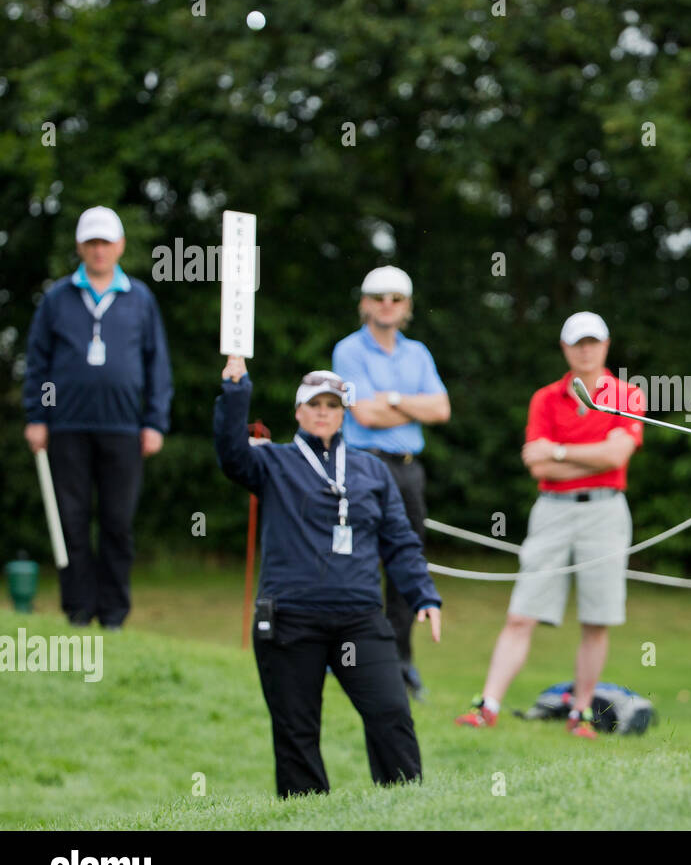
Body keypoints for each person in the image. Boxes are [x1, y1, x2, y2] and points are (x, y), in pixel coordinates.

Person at [214, 356, 443, 797]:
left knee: (391, 713)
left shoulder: (371, 470)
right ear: (298, 412)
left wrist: (423, 596)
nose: (323, 412)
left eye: (332, 405)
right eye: (314, 404)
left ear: (343, 414)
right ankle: (307, 817)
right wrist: (236, 391)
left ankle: (408, 806)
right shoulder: (273, 463)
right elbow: (230, 454)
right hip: (290, 619)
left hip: (358, 619)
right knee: (296, 731)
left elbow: (400, 541)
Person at [455, 312, 644, 738]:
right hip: (552, 510)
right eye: (578, 343)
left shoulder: (627, 395)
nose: (586, 349)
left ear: (606, 345)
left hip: (606, 511)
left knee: (597, 619)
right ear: (565, 349)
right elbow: (533, 462)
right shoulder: (545, 398)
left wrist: (557, 453)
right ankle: (487, 706)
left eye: (593, 341)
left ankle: (580, 714)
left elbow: (614, 458)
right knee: (522, 613)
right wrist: (578, 455)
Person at [21, 206, 172, 629]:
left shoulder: (140, 298)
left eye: (106, 242)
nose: (99, 250)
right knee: (71, 521)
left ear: (120, 245)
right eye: (92, 242)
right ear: (80, 247)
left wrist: (155, 422)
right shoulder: (57, 298)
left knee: (117, 523)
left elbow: (157, 364)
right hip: (65, 427)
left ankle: (114, 613)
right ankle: (77, 609)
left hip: (124, 429)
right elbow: (37, 361)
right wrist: (37, 416)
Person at [332, 266, 450, 701]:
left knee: (405, 563)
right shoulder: (347, 351)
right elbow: (363, 414)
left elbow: (441, 409)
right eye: (378, 297)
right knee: (356, 561)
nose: (387, 304)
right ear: (364, 303)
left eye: (396, 298)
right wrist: (409, 407)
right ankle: (349, 657)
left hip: (406, 468)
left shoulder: (417, 353)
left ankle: (401, 663)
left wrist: (394, 400)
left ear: (407, 308)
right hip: (362, 465)